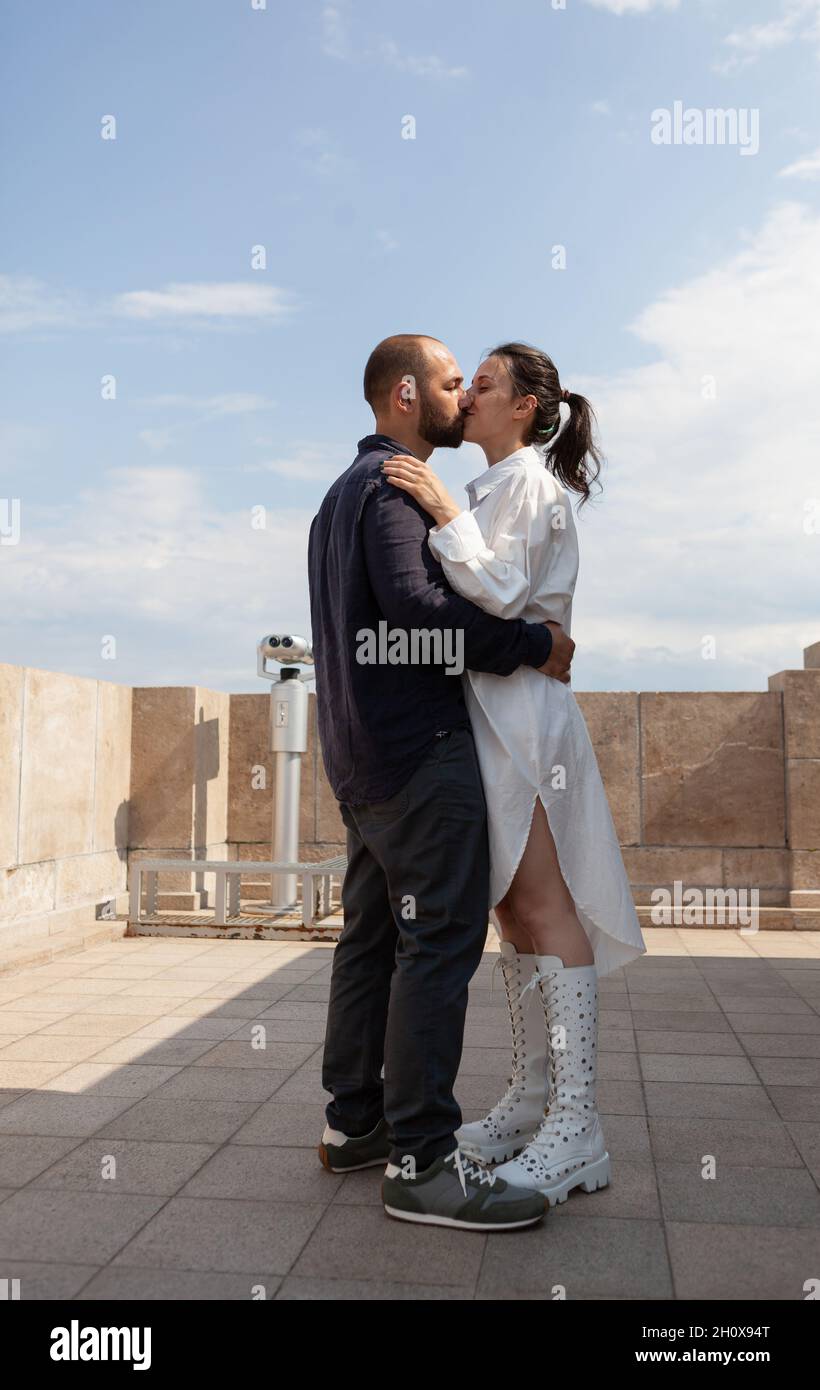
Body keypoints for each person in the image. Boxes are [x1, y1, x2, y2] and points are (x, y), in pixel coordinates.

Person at [307, 334, 574, 1230]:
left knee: (373, 940)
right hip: (416, 756)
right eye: (454, 381)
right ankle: (422, 1160)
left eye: (476, 383)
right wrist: (534, 644)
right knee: (443, 944)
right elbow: (422, 617)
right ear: (408, 396)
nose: (465, 395)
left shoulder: (334, 499)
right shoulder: (390, 489)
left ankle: (358, 1126)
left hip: (358, 760)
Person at [381, 341, 646, 1206]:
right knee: (510, 914)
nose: (469, 396)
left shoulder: (529, 485)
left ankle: (578, 1124)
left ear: (525, 407)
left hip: (527, 718)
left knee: (542, 905)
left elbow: (497, 592)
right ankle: (531, 1100)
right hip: (490, 719)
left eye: (483, 385)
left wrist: (440, 508)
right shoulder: (499, 485)